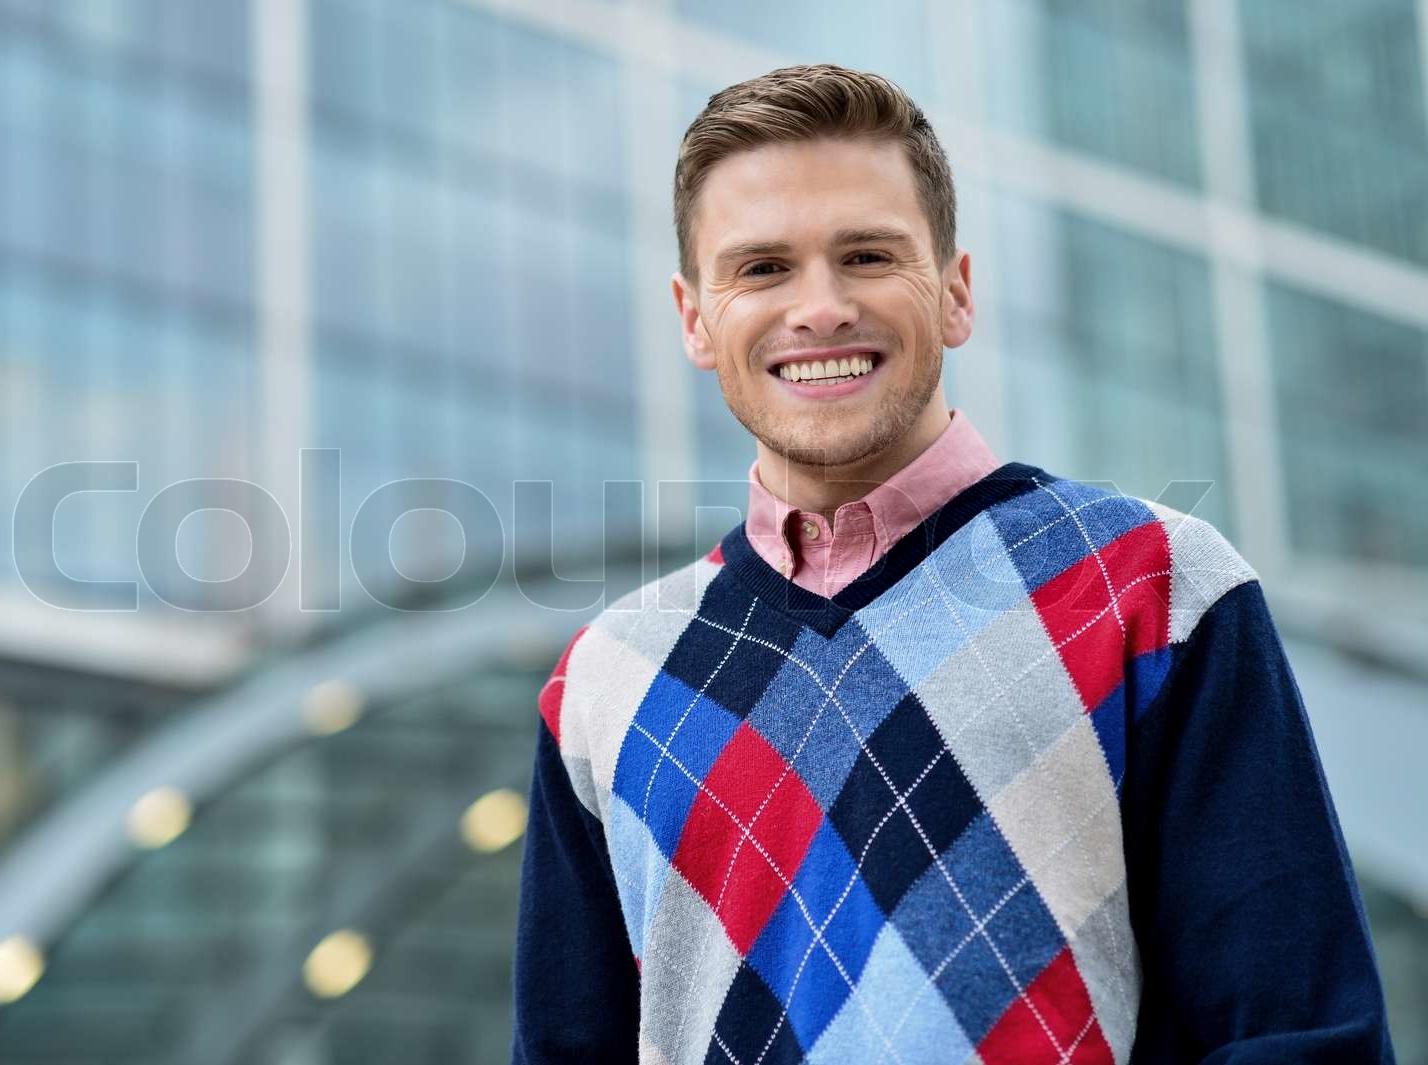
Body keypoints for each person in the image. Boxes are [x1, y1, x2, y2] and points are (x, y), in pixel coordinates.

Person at [510, 64, 1395, 1065]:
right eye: (761, 269)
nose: (819, 308)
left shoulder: (1157, 586)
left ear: (956, 292)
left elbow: (1296, 1035)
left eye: (868, 255)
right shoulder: (603, 680)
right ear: (693, 320)